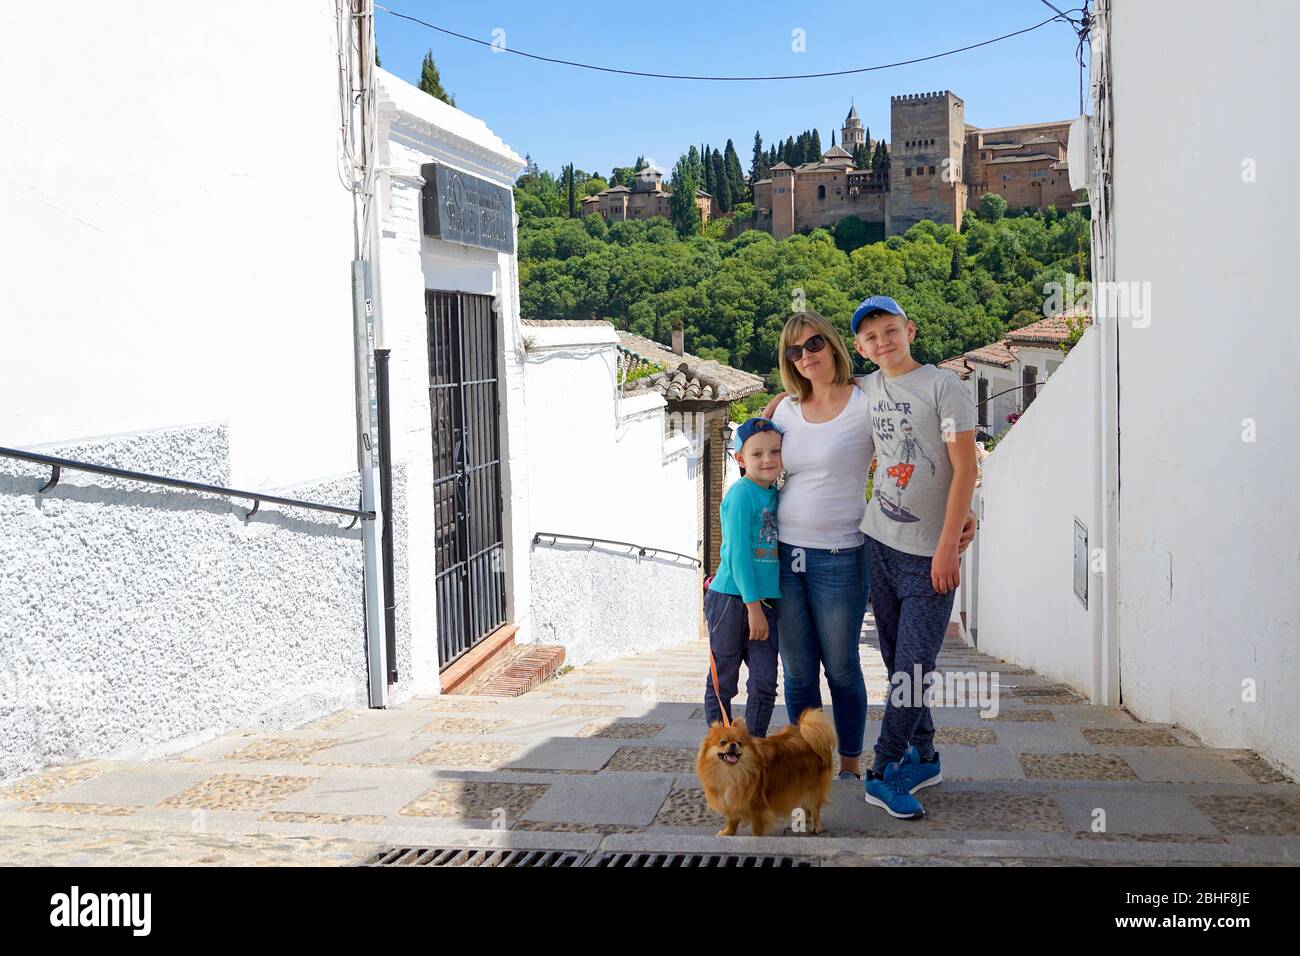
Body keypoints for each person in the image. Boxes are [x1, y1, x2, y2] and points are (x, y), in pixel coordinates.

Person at [762, 311, 977, 782]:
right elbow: (757, 476)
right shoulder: (781, 411)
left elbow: (923, 450)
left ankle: (854, 765)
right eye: (794, 351)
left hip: (844, 552)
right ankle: (808, 764)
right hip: (784, 555)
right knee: (797, 672)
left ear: (837, 345)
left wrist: (962, 516)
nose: (806, 357)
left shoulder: (866, 397)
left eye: (815, 344)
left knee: (842, 666)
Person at [851, 295, 978, 820]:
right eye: (870, 337)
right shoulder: (869, 385)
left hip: (930, 557)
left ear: (911, 329)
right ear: (861, 347)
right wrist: (769, 413)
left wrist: (949, 543)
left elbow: (966, 469)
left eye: (890, 331)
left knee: (912, 670)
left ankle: (881, 771)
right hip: (879, 543)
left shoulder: (943, 387)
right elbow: (807, 392)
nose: (882, 342)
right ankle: (924, 755)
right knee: (895, 661)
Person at [703, 417, 783, 735]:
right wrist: (753, 609)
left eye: (775, 452)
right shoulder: (740, 495)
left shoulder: (776, 494)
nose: (767, 460)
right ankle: (721, 752)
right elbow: (738, 554)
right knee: (724, 682)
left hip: (768, 604)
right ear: (740, 459)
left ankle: (753, 749)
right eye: (757, 454)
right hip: (731, 601)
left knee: (764, 683)